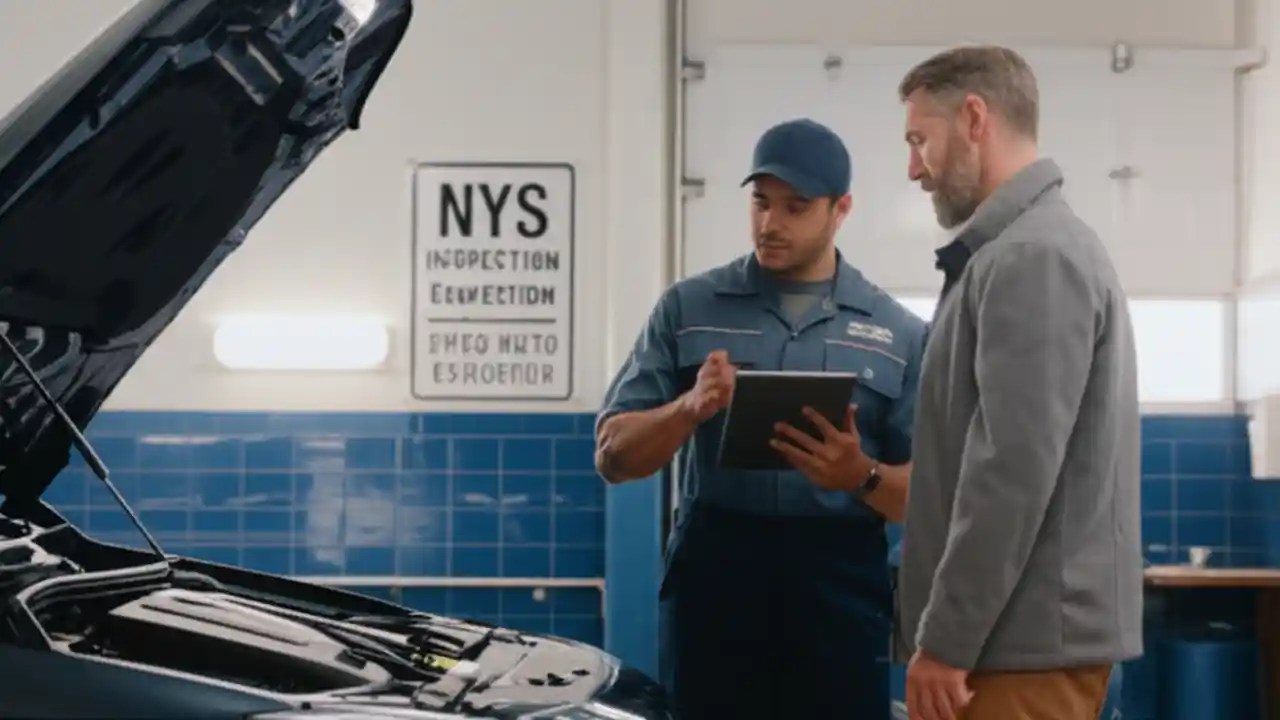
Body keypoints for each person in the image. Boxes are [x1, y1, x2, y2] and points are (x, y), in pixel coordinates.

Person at [594, 117, 928, 719]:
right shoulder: (688, 308)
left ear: (841, 209)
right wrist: (688, 408)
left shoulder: (898, 334)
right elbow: (613, 458)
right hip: (717, 570)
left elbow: (929, 500)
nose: (771, 224)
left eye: (796, 207)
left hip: (840, 583)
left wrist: (859, 474)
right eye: (761, 203)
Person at [891, 45, 1143, 720]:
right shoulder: (1014, 253)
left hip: (1017, 648)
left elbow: (1011, 471)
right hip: (1012, 642)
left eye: (920, 139)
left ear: (975, 118)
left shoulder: (1032, 257)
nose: (914, 167)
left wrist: (944, 641)